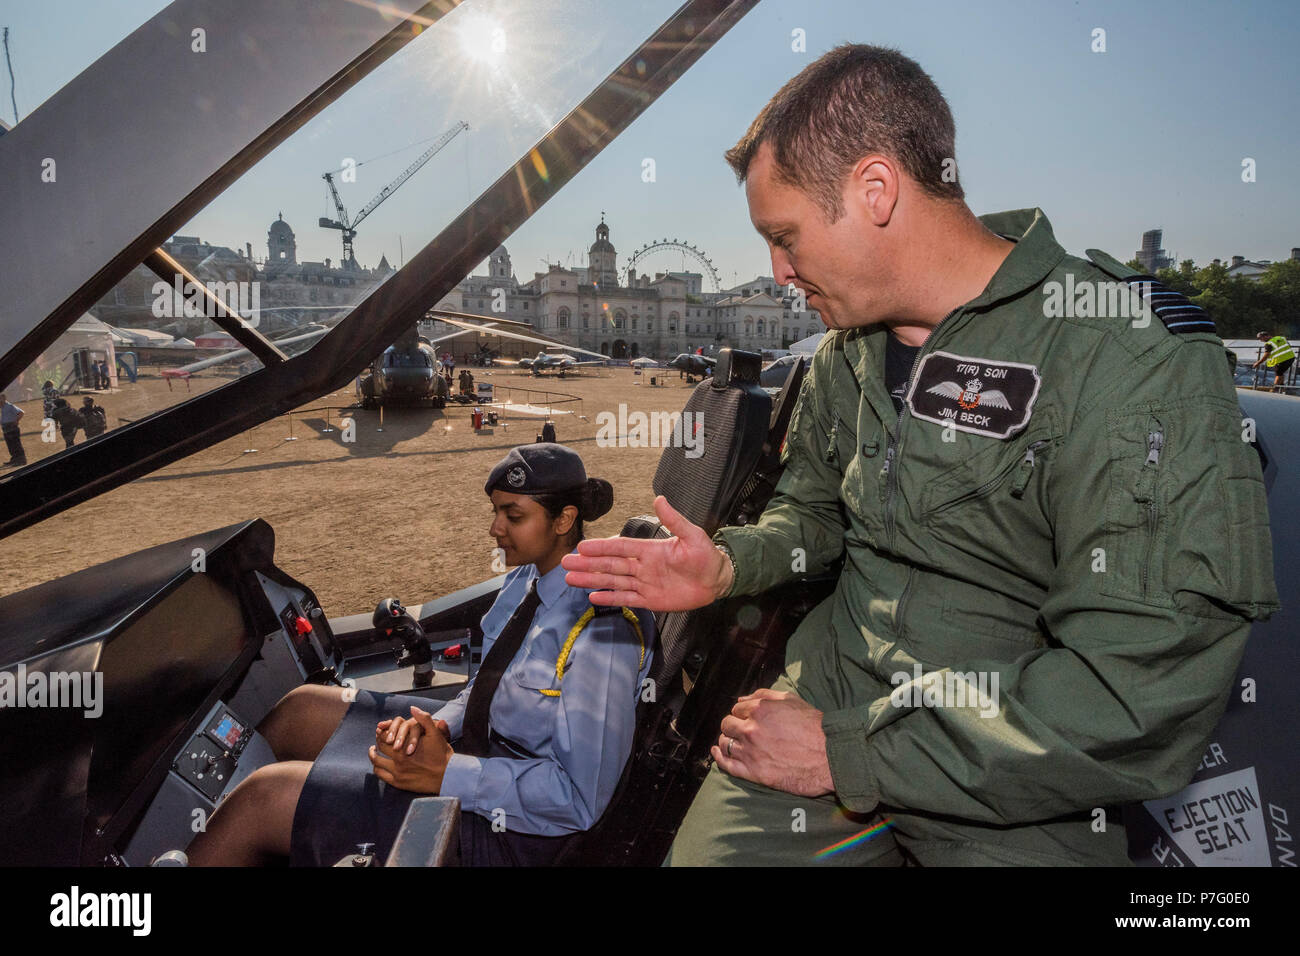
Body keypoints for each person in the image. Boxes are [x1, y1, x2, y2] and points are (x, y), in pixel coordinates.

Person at [563, 44, 1280, 866]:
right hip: (828, 705)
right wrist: (728, 568)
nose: (777, 271)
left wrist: (852, 756)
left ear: (875, 190)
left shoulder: (1124, 359)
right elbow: (813, 513)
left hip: (1016, 781)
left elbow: (1138, 691)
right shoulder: (848, 351)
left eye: (785, 236)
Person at [186, 443, 654, 866]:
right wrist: (438, 726)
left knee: (263, 798)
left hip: (517, 832)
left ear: (564, 520)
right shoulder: (528, 579)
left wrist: (446, 773)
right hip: (480, 747)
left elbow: (580, 800)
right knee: (300, 709)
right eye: (495, 512)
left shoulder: (603, 629)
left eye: (513, 516)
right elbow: (486, 687)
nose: (495, 528)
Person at [1, 393, 26, 466]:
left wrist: (16, 421)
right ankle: (14, 459)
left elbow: (21, 413)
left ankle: (21, 460)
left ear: (4, 398)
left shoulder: (9, 406)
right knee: (11, 446)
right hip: (6, 428)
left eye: (0, 398)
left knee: (16, 445)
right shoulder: (2, 407)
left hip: (12, 428)